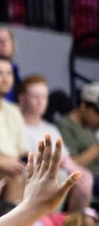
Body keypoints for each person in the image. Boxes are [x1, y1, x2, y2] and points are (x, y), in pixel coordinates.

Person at [17, 75, 94, 213]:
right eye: (35, 97)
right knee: (59, 176)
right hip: (31, 170)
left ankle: (74, 224)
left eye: (44, 97)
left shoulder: (50, 128)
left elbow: (65, 158)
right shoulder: (17, 124)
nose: (40, 102)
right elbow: (23, 155)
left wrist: (79, 172)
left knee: (84, 178)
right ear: (22, 99)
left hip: (55, 167)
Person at [53, 83, 99, 178]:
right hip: (87, 178)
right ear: (83, 106)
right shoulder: (65, 126)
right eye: (97, 112)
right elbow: (70, 164)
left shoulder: (91, 126)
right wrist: (97, 148)